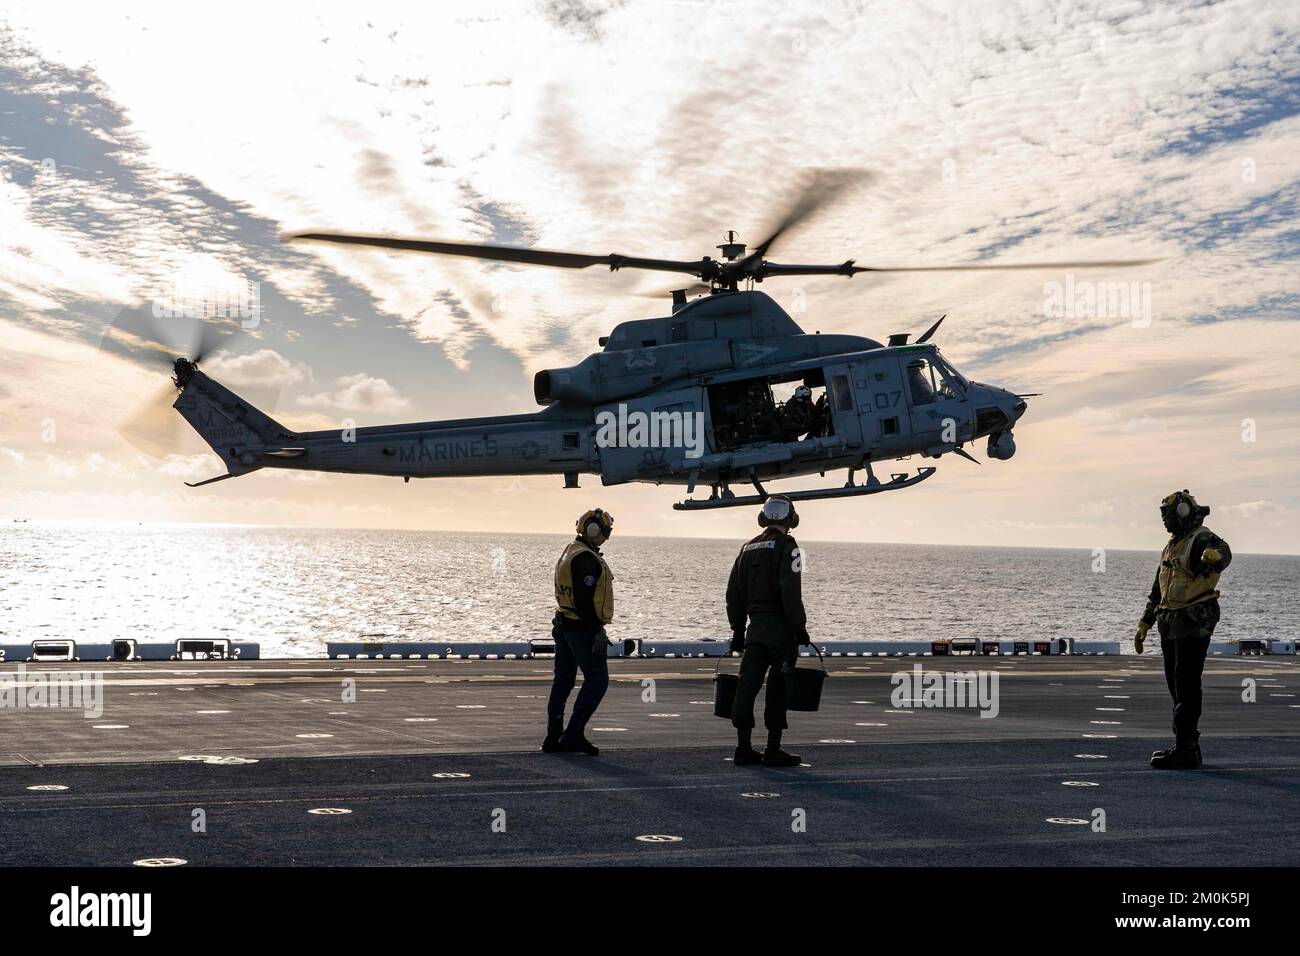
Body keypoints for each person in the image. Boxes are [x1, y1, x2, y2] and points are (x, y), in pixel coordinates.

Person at [1135, 490, 1232, 769]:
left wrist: (1216, 557)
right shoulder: (1172, 546)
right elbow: (1158, 591)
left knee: (1186, 682)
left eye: (1168, 515)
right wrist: (1145, 622)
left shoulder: (1201, 537)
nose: (1165, 521)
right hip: (1170, 623)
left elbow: (1224, 550)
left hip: (1193, 621)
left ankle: (1186, 749)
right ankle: (1186, 744)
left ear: (1182, 513)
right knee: (1175, 684)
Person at [724, 494, 812, 767]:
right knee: (778, 687)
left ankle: (743, 747)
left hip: (755, 630)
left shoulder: (746, 548)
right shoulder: (790, 547)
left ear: (763, 518)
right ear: (791, 519)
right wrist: (799, 628)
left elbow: (733, 595)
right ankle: (773, 748)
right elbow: (790, 591)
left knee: (746, 685)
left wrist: (738, 631)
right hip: (781, 629)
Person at [544, 508, 615, 756]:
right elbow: (584, 602)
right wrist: (597, 631)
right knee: (598, 681)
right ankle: (573, 734)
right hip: (580, 629)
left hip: (563, 623)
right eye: (604, 532)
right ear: (593, 529)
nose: (606, 537)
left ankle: (553, 737)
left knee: (563, 680)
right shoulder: (585, 560)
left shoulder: (571, 550)